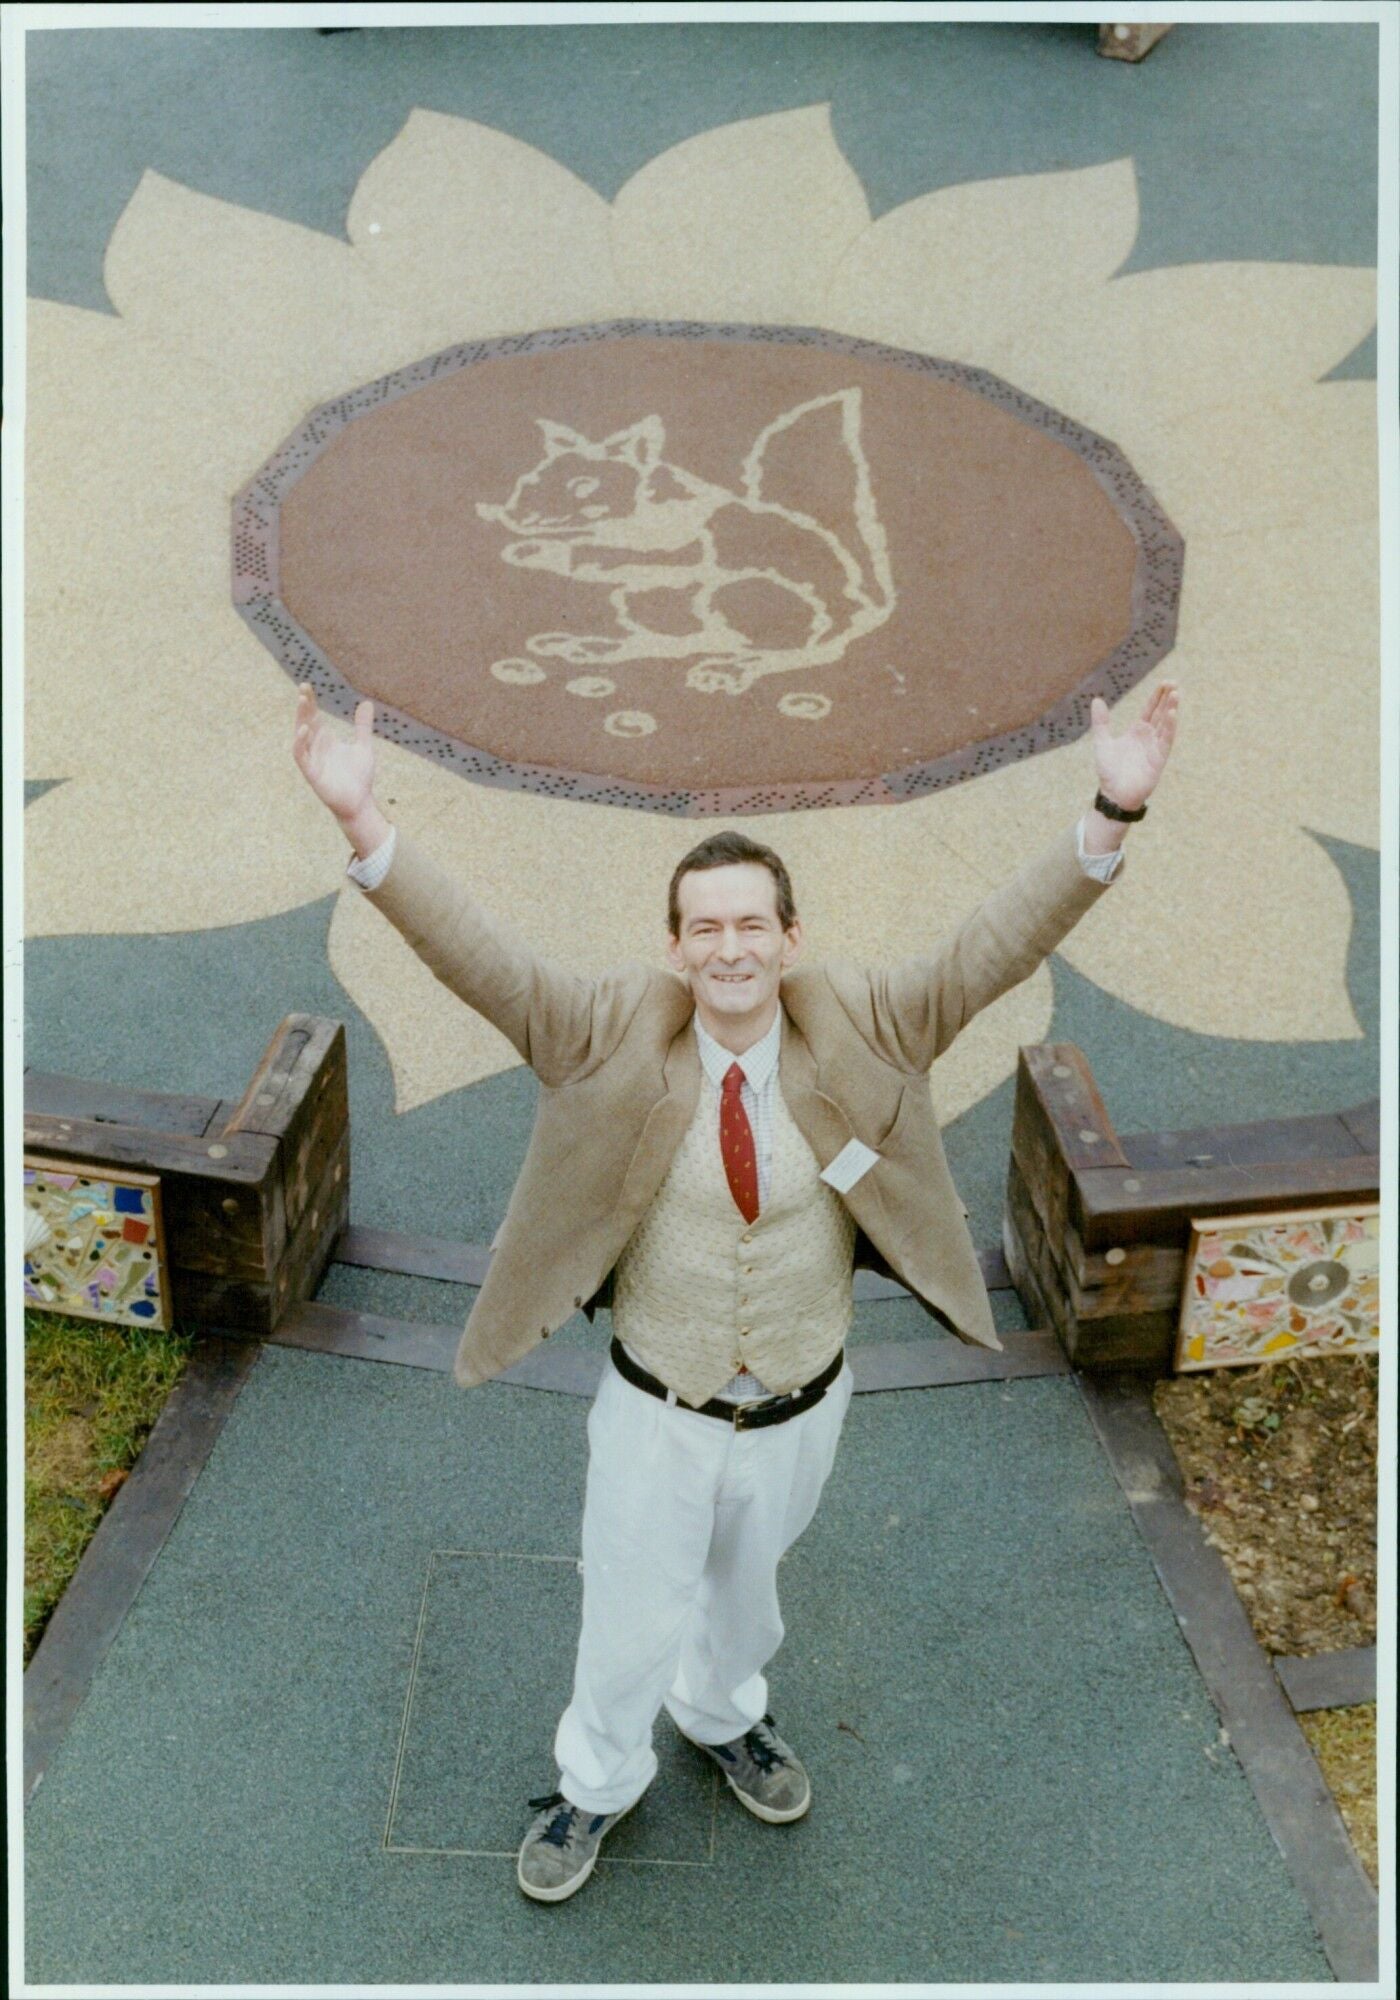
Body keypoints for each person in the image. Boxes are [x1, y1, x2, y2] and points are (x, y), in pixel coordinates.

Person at [292, 677, 1179, 1901]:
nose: (728, 948)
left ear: (789, 936)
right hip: (658, 1407)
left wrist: (1108, 811)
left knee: (747, 1601)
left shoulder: (872, 1018)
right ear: (673, 945)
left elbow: (994, 940)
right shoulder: (601, 1029)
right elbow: (478, 958)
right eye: (703, 926)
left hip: (803, 1402)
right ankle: (595, 1781)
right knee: (624, 1618)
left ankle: (721, 1715)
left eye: (750, 923)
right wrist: (362, 825)